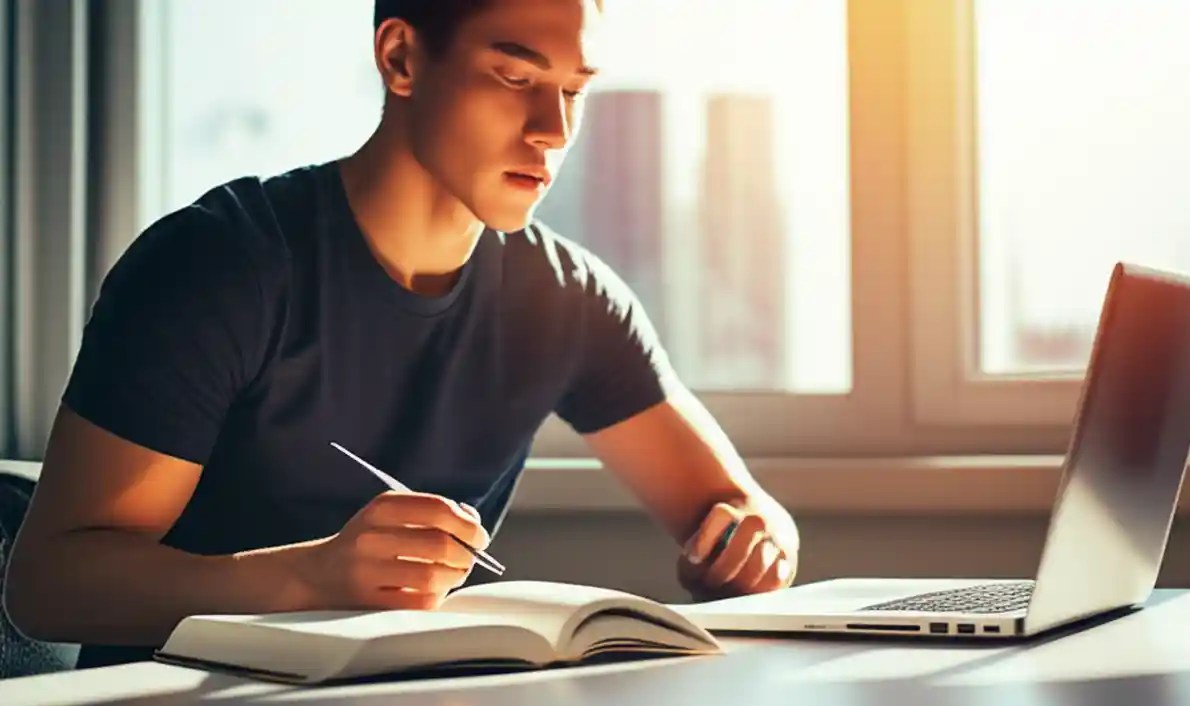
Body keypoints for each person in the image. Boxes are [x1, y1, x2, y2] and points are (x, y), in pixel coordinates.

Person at [4, 0, 799, 669]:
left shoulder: (568, 297)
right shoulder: (220, 265)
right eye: (515, 77)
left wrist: (758, 537)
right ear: (402, 58)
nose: (552, 128)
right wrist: (312, 578)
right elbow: (48, 584)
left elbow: (736, 508)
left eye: (574, 91)